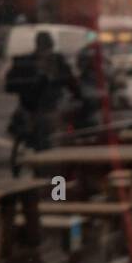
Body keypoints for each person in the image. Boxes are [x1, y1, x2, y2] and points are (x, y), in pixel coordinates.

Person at [5, 31, 79, 164]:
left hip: (40, 106)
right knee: (51, 128)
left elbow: (70, 82)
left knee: (49, 128)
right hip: (38, 107)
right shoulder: (32, 62)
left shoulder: (53, 61)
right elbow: (71, 82)